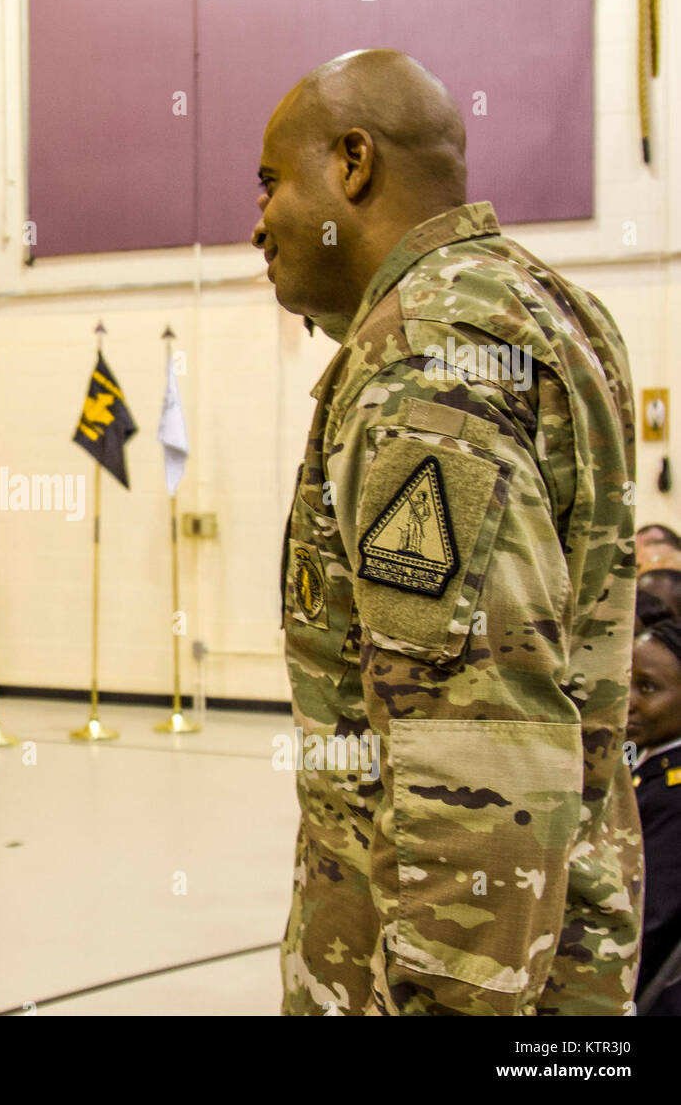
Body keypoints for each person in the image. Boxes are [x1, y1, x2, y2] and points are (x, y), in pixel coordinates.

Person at [255, 50, 641, 1015]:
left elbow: (474, 751)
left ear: (353, 163)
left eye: (269, 184)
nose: (258, 224)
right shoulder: (555, 309)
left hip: (462, 978)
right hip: (567, 953)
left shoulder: (425, 358)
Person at [627, 618, 681, 1014]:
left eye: (647, 688)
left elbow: (653, 919)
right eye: (625, 682)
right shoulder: (653, 766)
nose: (627, 701)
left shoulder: (674, 793)